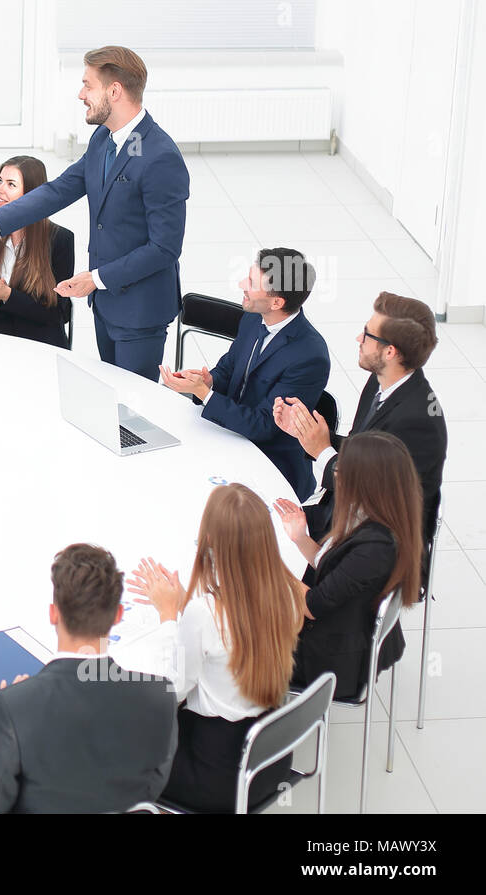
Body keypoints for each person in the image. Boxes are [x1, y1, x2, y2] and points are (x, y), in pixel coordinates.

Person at [0, 46, 189, 379]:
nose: (81, 94)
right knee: (112, 393)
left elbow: (165, 248)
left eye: (87, 85)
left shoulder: (160, 156)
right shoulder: (102, 140)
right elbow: (57, 191)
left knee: (133, 407)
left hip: (139, 309)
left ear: (115, 90)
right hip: (105, 303)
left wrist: (95, 279)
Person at [0, 544, 176, 814]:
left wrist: (10, 711)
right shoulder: (161, 697)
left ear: (53, 613)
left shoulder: (11, 707)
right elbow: (151, 787)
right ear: (118, 615)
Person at [129, 484, 305, 813]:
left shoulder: (206, 614)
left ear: (210, 541)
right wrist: (185, 606)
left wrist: (170, 617)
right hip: (268, 759)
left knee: (121, 730)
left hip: (217, 777)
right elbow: (234, 634)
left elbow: (172, 691)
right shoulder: (288, 595)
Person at [275, 292, 447, 554]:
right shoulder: (381, 380)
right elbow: (362, 449)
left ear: (390, 351)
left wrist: (322, 450)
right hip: (343, 516)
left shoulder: (416, 423)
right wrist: (306, 433)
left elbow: (368, 492)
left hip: (372, 545)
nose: (358, 339)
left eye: (367, 335)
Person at [159, 248, 330, 501]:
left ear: (276, 303)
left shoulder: (309, 356)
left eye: (250, 283)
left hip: (268, 465)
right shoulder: (253, 318)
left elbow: (264, 426)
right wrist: (210, 381)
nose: (241, 285)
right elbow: (230, 366)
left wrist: (206, 395)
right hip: (227, 436)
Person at [273, 432, 423, 701]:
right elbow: (336, 569)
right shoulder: (376, 518)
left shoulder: (375, 548)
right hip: (342, 631)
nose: (336, 474)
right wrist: (300, 539)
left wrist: (267, 562)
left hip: (328, 664)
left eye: (342, 469)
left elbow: (311, 606)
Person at [0, 156, 75, 348]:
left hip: (41, 343)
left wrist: (7, 296)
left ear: (33, 195)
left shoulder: (60, 240)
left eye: (11, 184)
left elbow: (59, 313)